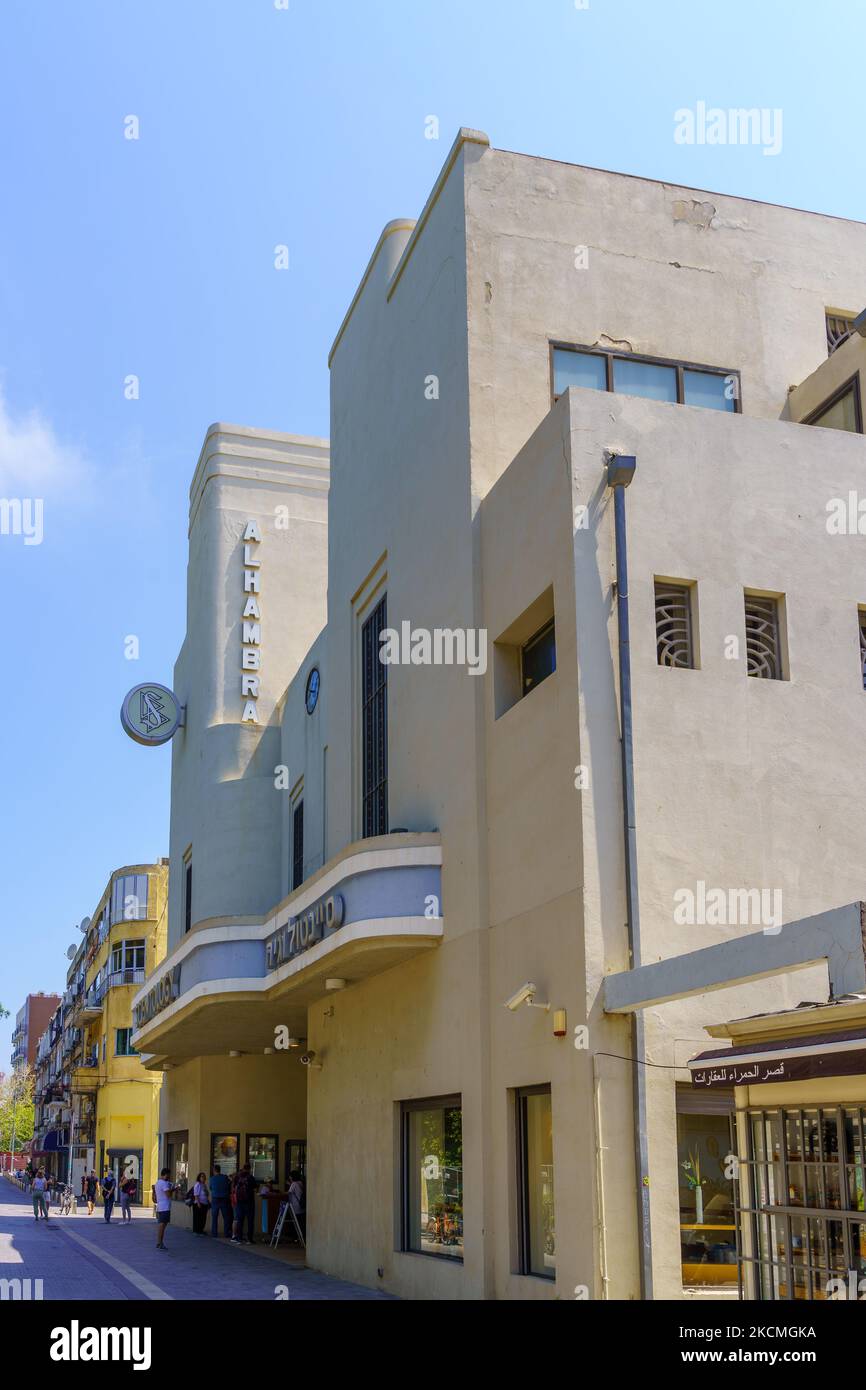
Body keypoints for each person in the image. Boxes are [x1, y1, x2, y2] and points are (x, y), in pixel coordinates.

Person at [230, 1163, 257, 1244]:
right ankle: (249, 1239)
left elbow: (233, 1188)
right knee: (250, 1221)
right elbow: (255, 1188)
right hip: (249, 1202)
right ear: (249, 1169)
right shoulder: (250, 1177)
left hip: (239, 1202)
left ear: (243, 1168)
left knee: (239, 1220)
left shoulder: (237, 1177)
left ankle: (239, 1238)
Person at [153, 1168, 178, 1249]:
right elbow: (168, 1195)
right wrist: (174, 1189)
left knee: (162, 1225)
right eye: (169, 1175)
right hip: (165, 1207)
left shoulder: (158, 1182)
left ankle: (159, 1242)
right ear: (166, 1174)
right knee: (162, 1225)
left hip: (161, 1206)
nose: (169, 1176)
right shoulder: (164, 1184)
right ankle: (159, 1242)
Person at [209, 1164, 232, 1237]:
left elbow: (211, 1188)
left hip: (215, 1198)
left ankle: (214, 1233)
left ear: (214, 1170)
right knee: (226, 1217)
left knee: (214, 1217)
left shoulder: (212, 1179)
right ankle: (226, 1233)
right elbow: (229, 1185)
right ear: (220, 1170)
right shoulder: (225, 1177)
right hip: (224, 1198)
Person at [287, 1169, 306, 1241]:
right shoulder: (300, 1183)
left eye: (290, 1176)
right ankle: (302, 1237)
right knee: (301, 1222)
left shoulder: (294, 1184)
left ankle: (296, 1237)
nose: (289, 1177)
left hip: (295, 1206)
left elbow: (289, 1193)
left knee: (296, 1222)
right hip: (302, 1205)